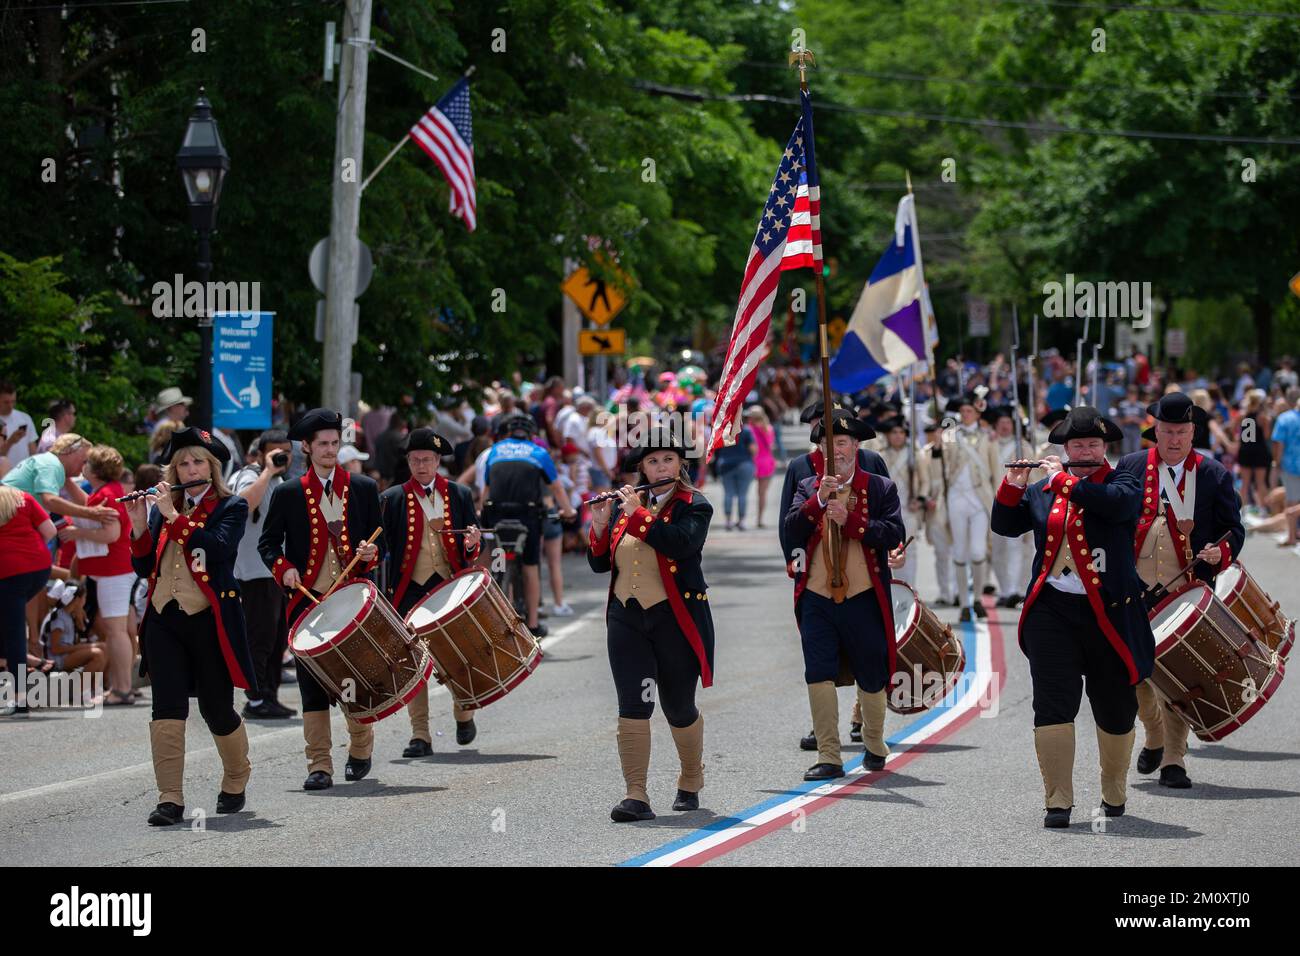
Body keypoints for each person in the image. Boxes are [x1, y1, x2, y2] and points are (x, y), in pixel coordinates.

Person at [992, 406, 1154, 828]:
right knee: (1053, 702)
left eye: (1094, 445)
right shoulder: (1043, 488)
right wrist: (1013, 486)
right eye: (1078, 445)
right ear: (1064, 448)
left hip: (1110, 613)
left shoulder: (1123, 480)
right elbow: (1006, 526)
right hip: (1053, 609)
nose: (1086, 451)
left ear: (1105, 448)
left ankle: (1113, 790)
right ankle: (1058, 800)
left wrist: (1064, 480)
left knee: (1115, 706)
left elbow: (1117, 507)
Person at [126, 426, 255, 825]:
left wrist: (171, 516)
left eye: (197, 461)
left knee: (217, 710)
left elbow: (215, 550)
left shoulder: (230, 507)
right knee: (166, 707)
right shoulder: (163, 507)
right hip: (164, 619)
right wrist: (138, 527)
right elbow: (145, 566)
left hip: (208, 620)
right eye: (182, 463)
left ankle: (236, 774)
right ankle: (170, 798)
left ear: (212, 467)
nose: (189, 468)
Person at [1118, 393, 1244, 789]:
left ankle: (1175, 760)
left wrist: (1218, 551)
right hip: (1136, 586)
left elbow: (1233, 529)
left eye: (1182, 432)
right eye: (1167, 432)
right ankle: (1153, 733)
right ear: (1155, 430)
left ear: (1193, 432)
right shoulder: (1131, 466)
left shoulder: (1212, 474)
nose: (1174, 440)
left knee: (1177, 675)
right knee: (1135, 673)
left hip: (1185, 586)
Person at [587, 428, 713, 821]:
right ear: (641, 468)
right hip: (626, 617)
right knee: (634, 704)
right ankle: (636, 794)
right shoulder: (630, 503)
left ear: (681, 466)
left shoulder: (695, 505)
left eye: (668, 460)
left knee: (677, 706)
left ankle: (691, 777)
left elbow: (679, 543)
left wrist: (635, 515)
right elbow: (601, 563)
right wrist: (599, 526)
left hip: (673, 618)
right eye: (653, 461)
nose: (661, 466)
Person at [259, 408, 383, 791]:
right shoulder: (287, 492)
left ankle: (360, 749)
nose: (331, 450)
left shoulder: (362, 488)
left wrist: (369, 554)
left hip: (353, 599)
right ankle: (320, 765)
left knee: (355, 679)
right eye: (323, 445)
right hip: (307, 601)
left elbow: (382, 542)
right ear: (306, 448)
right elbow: (267, 544)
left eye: (335, 443)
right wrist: (284, 569)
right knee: (311, 685)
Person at [785, 409, 905, 781]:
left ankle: (872, 741)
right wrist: (816, 504)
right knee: (818, 672)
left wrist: (851, 522)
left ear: (855, 446)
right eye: (827, 443)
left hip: (864, 595)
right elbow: (790, 532)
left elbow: (893, 534)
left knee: (871, 674)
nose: (834, 450)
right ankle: (829, 755)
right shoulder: (808, 486)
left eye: (841, 442)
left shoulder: (880, 487)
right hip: (818, 597)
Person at [380, 428, 482, 757]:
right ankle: (420, 734)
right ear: (408, 462)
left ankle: (463, 712)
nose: (421, 465)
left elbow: (471, 541)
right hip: (410, 588)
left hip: (449, 584)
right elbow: (383, 547)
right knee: (415, 662)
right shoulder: (393, 498)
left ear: (438, 461)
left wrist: (472, 543)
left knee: (456, 653)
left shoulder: (459, 494)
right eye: (414, 460)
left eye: (427, 459)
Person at [480, 413, 576, 637]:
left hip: (497, 516)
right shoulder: (539, 452)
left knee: (499, 563)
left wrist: (482, 510)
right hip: (528, 516)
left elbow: (485, 489)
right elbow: (557, 488)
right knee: (531, 566)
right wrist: (568, 511)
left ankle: (500, 618)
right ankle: (533, 622)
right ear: (532, 435)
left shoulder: (495, 450)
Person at [61, 445, 137, 705]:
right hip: (114, 570)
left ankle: (122, 689)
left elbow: (111, 534)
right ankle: (121, 687)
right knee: (118, 631)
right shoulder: (108, 491)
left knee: (116, 632)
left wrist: (77, 533)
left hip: (113, 571)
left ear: (94, 470)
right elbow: (87, 507)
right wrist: (68, 482)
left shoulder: (106, 493)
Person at [230, 430, 296, 719]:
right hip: (254, 571)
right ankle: (255, 698)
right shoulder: (250, 475)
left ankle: (268, 694)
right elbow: (243, 505)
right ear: (259, 453)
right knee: (261, 637)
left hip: (273, 571)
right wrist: (267, 470)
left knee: (277, 637)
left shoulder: (280, 480)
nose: (281, 457)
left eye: (286, 452)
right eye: (274, 452)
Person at [933, 394, 999, 621]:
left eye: (969, 411)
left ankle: (978, 599)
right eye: (962, 411)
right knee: (959, 550)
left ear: (978, 413)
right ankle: (963, 603)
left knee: (979, 550)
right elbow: (939, 461)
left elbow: (995, 471)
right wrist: (940, 441)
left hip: (980, 498)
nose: (965, 414)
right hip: (955, 497)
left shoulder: (989, 438)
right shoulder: (951, 434)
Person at [0, 484, 56, 717]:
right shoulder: (22, 497)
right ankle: (30, 663)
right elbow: (50, 531)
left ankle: (20, 700)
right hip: (38, 568)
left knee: (12, 634)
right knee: (9, 630)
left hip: (8, 571)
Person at [986, 406, 1030, 608]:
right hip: (993, 502)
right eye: (1001, 423)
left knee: (1014, 547)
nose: (1005, 427)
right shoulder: (990, 445)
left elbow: (1034, 476)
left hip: (1016, 502)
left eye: (1008, 423)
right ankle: (1004, 589)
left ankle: (1014, 589)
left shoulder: (1023, 446)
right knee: (997, 550)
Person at [876, 415, 925, 587]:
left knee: (909, 550)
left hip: (908, 507)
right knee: (887, 550)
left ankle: (910, 587)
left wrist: (919, 499)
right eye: (894, 432)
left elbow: (924, 481)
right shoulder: (881, 456)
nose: (897, 436)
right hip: (888, 510)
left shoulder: (915, 455)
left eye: (901, 432)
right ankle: (892, 587)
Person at [39, 580, 107, 700]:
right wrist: (84, 647)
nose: (85, 600)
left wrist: (80, 623)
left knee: (104, 648)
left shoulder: (69, 615)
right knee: (97, 654)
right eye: (84, 597)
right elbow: (56, 648)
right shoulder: (58, 617)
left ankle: (94, 689)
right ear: (76, 600)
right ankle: (80, 692)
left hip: (65, 655)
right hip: (55, 659)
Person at [1270, 388, 1300, 548]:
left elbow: (1278, 443)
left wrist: (1277, 461)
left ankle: (1291, 536)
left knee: (1292, 501)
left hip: (1291, 464)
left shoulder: (1285, 419)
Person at [714, 418, 756, 531]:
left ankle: (728, 521)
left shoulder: (721, 430)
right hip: (744, 463)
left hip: (725, 464)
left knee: (728, 493)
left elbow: (714, 449)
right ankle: (741, 521)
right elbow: (753, 449)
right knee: (742, 494)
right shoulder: (746, 430)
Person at [1235, 390, 1272, 514]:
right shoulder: (1263, 417)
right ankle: (1263, 510)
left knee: (1245, 483)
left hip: (1245, 450)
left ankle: (1241, 510)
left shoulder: (1241, 415)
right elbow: (1267, 436)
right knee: (1260, 482)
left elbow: (1234, 429)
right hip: (1259, 450)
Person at [746, 405, 777, 528]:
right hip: (767, 462)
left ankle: (740, 517)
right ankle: (759, 519)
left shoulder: (748, 429)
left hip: (752, 460)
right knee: (762, 493)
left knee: (743, 491)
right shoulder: (768, 428)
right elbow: (771, 446)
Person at [0, 381, 37, 470]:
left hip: (24, 475)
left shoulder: (24, 418)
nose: (10, 406)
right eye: (6, 402)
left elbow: (32, 449)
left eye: (13, 401)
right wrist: (10, 442)